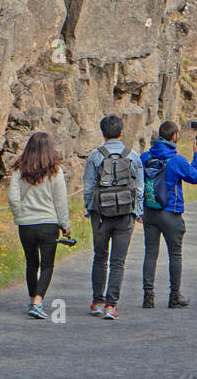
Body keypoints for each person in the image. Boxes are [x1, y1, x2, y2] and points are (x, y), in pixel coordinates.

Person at [83, 114, 145, 321]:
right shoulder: (133, 155)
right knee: (118, 261)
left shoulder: (95, 155)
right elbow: (139, 188)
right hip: (125, 214)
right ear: (121, 132)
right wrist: (137, 212)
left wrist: (90, 209)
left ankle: (97, 302)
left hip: (100, 215)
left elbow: (89, 187)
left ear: (103, 133)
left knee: (100, 257)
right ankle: (111, 306)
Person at [140, 120, 197, 309]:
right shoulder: (177, 160)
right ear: (174, 136)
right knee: (175, 254)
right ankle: (174, 295)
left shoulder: (145, 157)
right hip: (171, 213)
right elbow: (195, 176)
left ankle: (148, 296)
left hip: (150, 212)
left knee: (150, 253)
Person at [8, 132, 71, 320]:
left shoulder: (19, 170)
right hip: (49, 223)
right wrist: (65, 225)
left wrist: (20, 215)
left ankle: (31, 299)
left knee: (31, 262)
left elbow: (12, 198)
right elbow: (61, 201)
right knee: (47, 264)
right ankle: (37, 302)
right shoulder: (55, 171)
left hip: (26, 224)